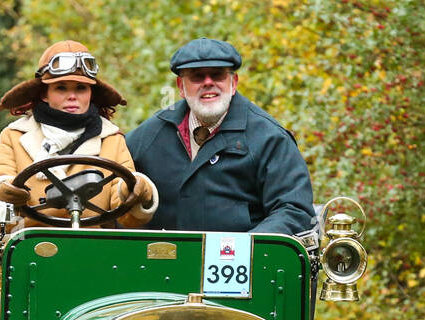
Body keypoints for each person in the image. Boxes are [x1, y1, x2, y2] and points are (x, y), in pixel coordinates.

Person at [125, 38, 315, 236]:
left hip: (243, 264)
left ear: (234, 83)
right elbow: (114, 186)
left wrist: (244, 249)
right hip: (165, 261)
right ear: (181, 86)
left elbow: (294, 210)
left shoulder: (270, 138)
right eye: (197, 77)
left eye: (217, 75)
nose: (208, 83)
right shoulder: (152, 134)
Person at [0, 40, 157, 228]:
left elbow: (129, 218)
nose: (72, 96)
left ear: (91, 93)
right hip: (30, 246)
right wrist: (4, 192)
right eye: (61, 88)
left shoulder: (111, 139)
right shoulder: (14, 136)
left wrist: (136, 190)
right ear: (44, 94)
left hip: (94, 249)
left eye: (81, 88)